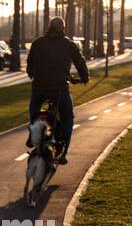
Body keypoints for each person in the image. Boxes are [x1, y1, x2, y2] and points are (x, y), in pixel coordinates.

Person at [25, 16, 89, 162]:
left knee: (34, 111)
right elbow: (80, 62)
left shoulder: (38, 43)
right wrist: (84, 78)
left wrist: (33, 75)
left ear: (49, 27)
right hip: (60, 89)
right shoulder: (69, 44)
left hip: (39, 87)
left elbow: (30, 62)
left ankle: (32, 134)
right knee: (67, 118)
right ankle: (63, 152)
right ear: (63, 29)